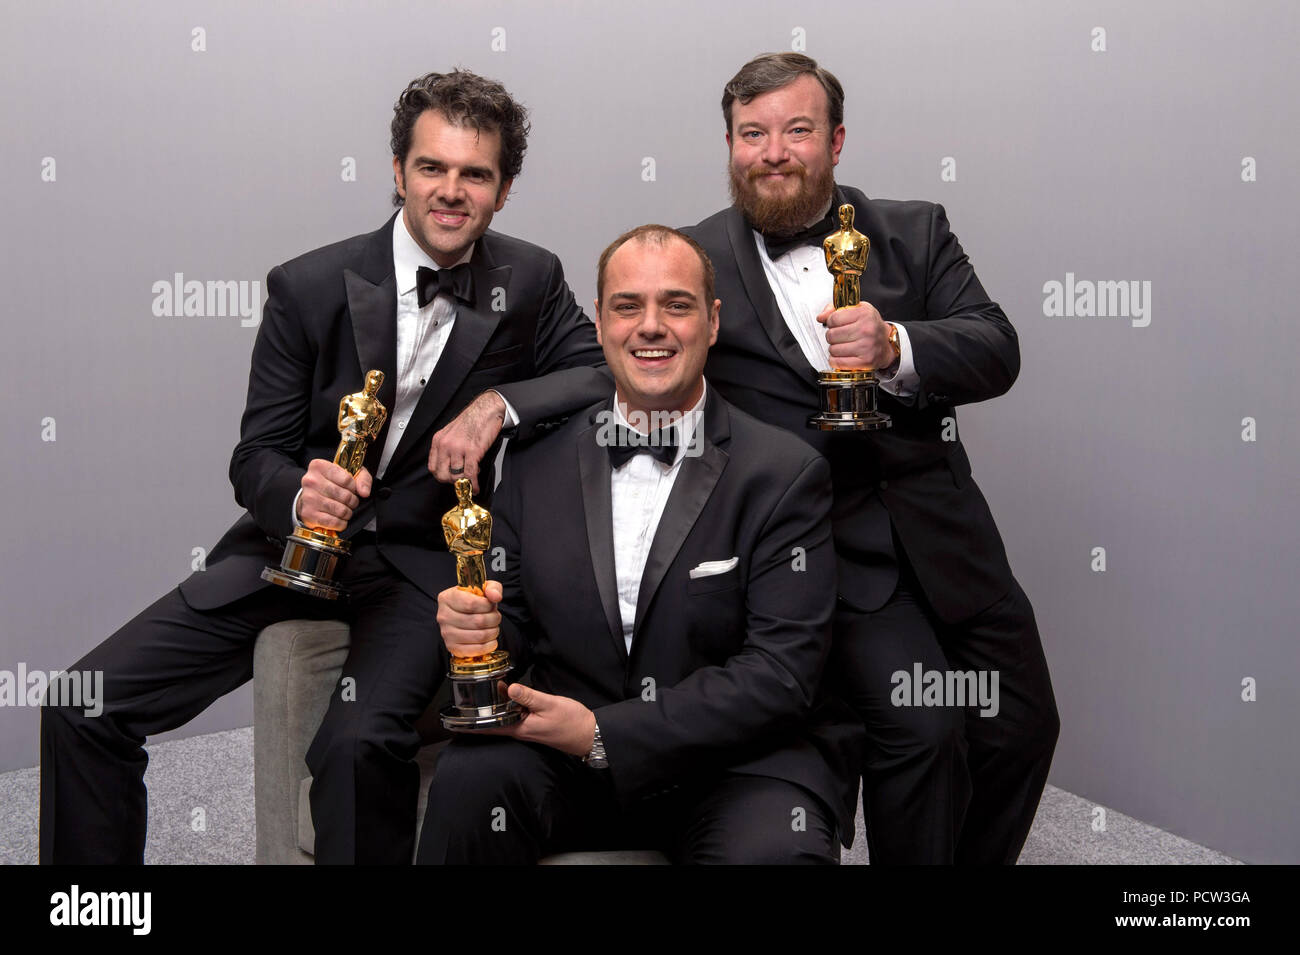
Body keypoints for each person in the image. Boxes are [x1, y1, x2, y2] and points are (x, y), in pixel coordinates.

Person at [39, 69, 608, 865]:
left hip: (418, 566)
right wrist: (297, 492)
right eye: (432, 168)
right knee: (82, 705)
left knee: (357, 744)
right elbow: (254, 456)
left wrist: (496, 408)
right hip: (289, 552)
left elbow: (599, 372)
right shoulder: (306, 285)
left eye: (475, 173)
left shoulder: (532, 277)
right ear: (398, 172)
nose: (451, 191)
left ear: (504, 190)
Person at [682, 52, 1060, 864]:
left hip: (949, 537)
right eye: (753, 133)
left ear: (837, 140)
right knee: (923, 729)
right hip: (825, 555)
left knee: (1024, 725)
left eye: (797, 130)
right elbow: (622, 361)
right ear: (729, 144)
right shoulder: (692, 258)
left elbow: (997, 347)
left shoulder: (915, 228)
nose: (773, 151)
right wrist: (498, 405)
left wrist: (896, 345)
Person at [415, 225, 862, 865]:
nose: (650, 326)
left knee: (776, 853)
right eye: (628, 306)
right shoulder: (533, 465)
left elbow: (781, 674)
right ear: (599, 324)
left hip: (735, 765)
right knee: (466, 782)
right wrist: (476, 632)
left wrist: (604, 733)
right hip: (566, 753)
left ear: (711, 322)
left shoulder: (784, 472)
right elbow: (513, 624)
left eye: (675, 305)